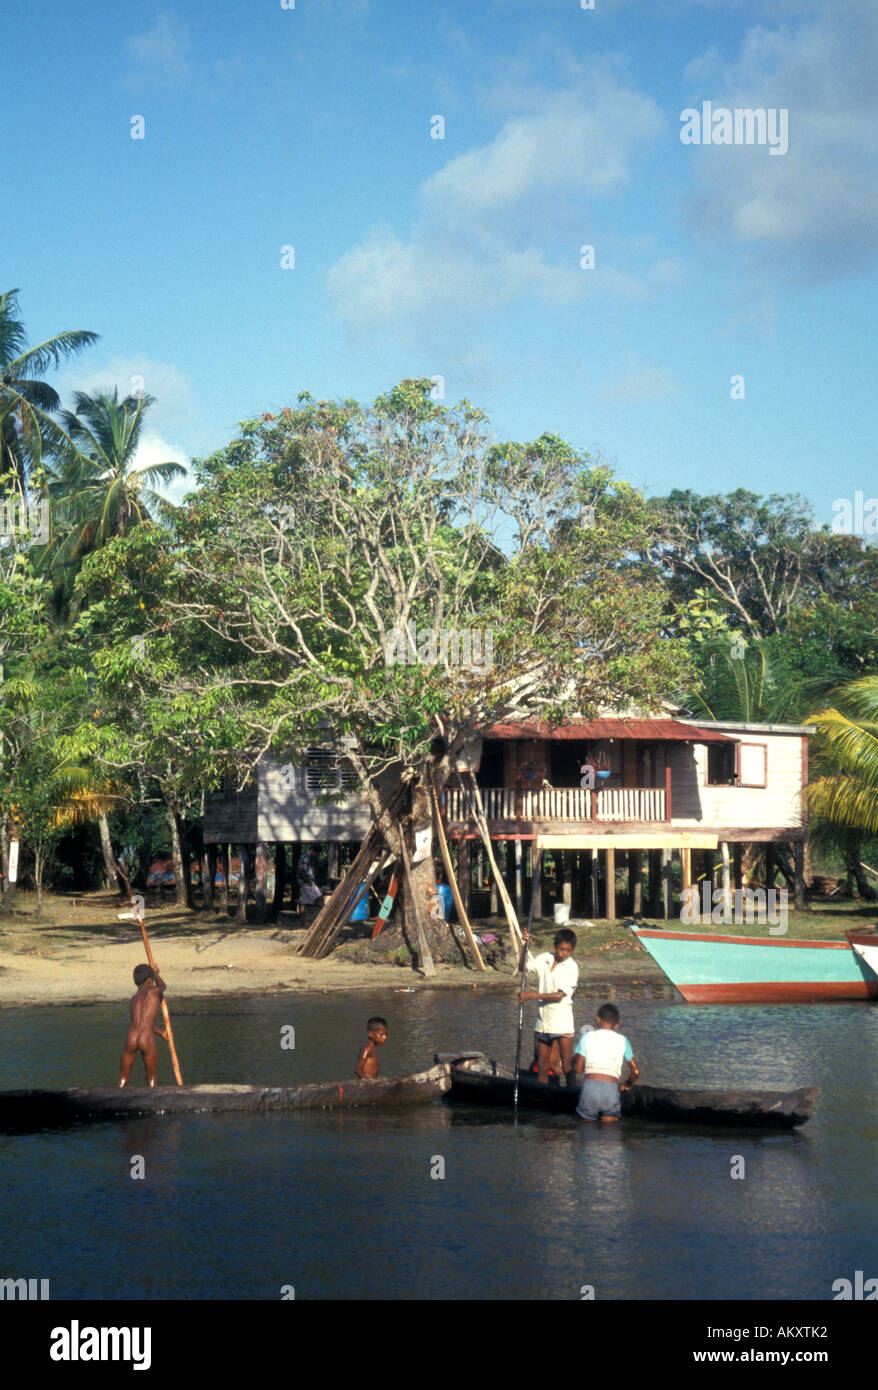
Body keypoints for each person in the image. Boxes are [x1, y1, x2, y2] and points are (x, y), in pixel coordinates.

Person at [517, 926, 579, 1085]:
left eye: (568, 950)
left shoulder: (571, 967)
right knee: (542, 1065)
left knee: (566, 1065)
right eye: (561, 949)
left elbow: (558, 996)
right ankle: (543, 1095)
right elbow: (522, 967)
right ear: (555, 947)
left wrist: (531, 995)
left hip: (562, 1022)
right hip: (543, 1021)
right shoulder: (545, 958)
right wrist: (526, 946)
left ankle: (574, 1095)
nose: (564, 953)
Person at [572, 1002, 640, 1123]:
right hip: (611, 1089)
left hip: (590, 1089)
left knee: (586, 1132)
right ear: (617, 1025)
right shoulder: (622, 1040)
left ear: (598, 1019)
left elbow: (577, 1069)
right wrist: (626, 1085)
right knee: (610, 1136)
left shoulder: (587, 1036)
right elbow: (635, 1071)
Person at [118, 963, 168, 1088]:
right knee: (151, 1077)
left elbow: (139, 1022)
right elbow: (163, 986)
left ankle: (117, 1095)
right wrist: (156, 973)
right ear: (150, 979)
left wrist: (160, 1032)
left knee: (123, 1077)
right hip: (146, 1039)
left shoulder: (133, 998)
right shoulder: (153, 992)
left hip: (131, 1038)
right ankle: (153, 1102)